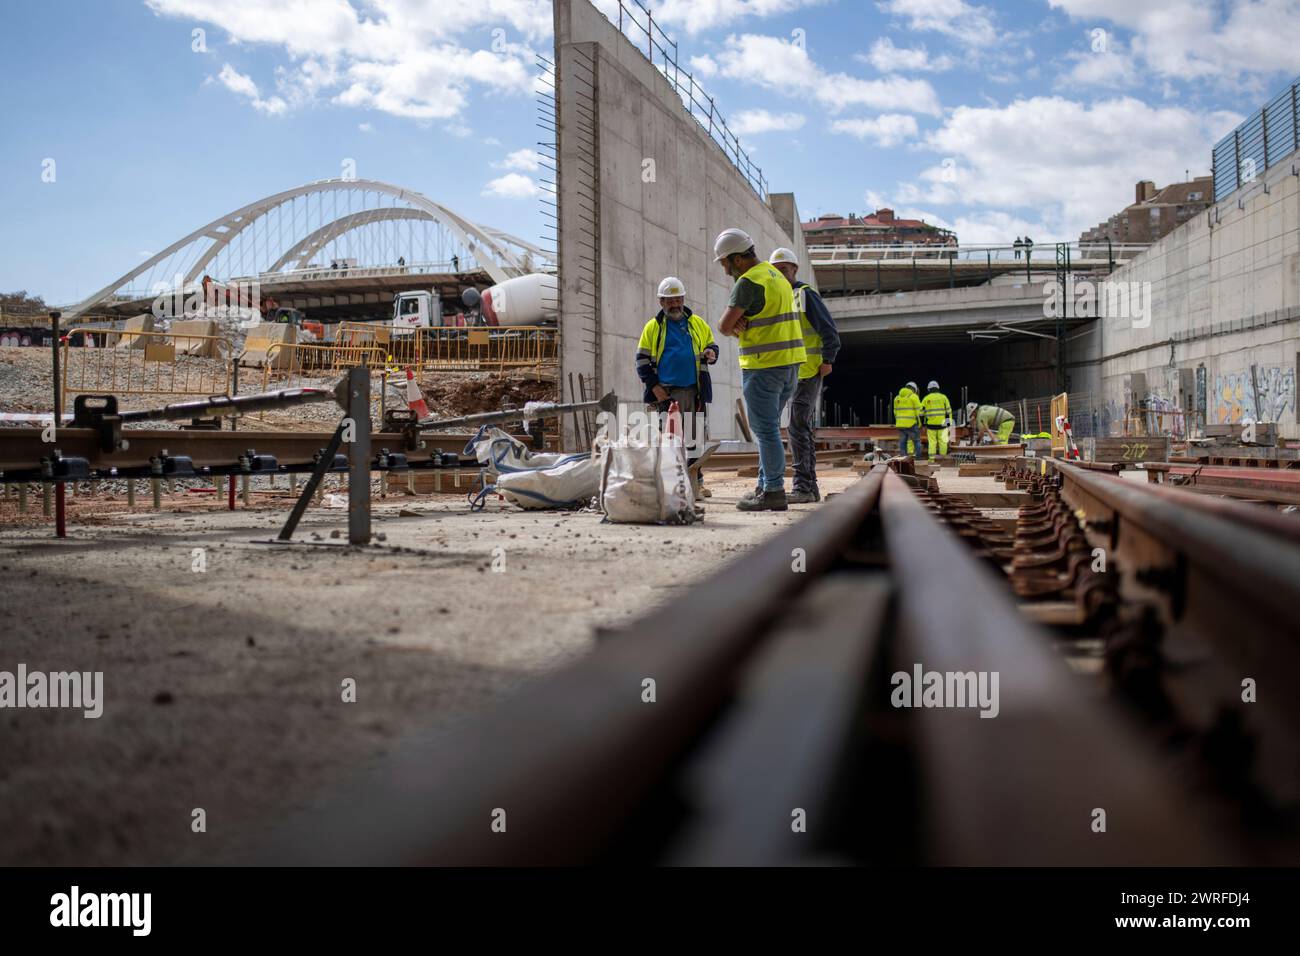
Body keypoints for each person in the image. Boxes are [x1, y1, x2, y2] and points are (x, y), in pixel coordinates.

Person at [714, 227, 806, 512]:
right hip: (789, 365)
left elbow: (725, 326)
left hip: (764, 366)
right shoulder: (775, 276)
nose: (726, 270)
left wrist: (733, 327)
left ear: (738, 259)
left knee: (765, 432)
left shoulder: (748, 282)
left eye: (726, 263)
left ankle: (773, 491)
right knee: (770, 429)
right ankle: (765, 485)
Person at [769, 246, 839, 503]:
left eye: (784, 270)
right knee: (800, 427)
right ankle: (809, 488)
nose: (781, 275)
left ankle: (803, 487)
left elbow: (829, 330)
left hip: (808, 370)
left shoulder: (805, 295)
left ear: (794, 270)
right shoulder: (778, 299)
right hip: (789, 373)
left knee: (797, 425)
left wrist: (828, 358)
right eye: (775, 272)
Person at [635, 276, 719, 419]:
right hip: (667, 394)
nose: (675, 304)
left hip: (695, 394)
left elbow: (711, 345)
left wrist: (711, 352)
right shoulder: (652, 327)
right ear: (661, 302)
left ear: (683, 299)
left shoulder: (698, 323)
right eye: (670, 301)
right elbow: (641, 362)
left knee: (696, 440)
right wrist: (656, 390)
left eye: (678, 300)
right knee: (670, 439)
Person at [920, 380, 953, 458]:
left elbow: (921, 413)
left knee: (932, 443)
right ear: (938, 388)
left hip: (931, 425)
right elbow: (948, 412)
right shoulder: (944, 398)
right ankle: (943, 459)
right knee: (943, 442)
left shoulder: (926, 398)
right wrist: (948, 424)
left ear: (929, 389)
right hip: (943, 425)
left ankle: (931, 460)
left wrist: (923, 425)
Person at [893, 381, 923, 457]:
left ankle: (904, 459)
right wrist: (919, 423)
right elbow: (918, 412)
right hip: (911, 424)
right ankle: (918, 458)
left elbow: (895, 412)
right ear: (914, 389)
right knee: (916, 441)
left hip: (900, 424)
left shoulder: (897, 398)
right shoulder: (914, 397)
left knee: (903, 442)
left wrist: (899, 421)